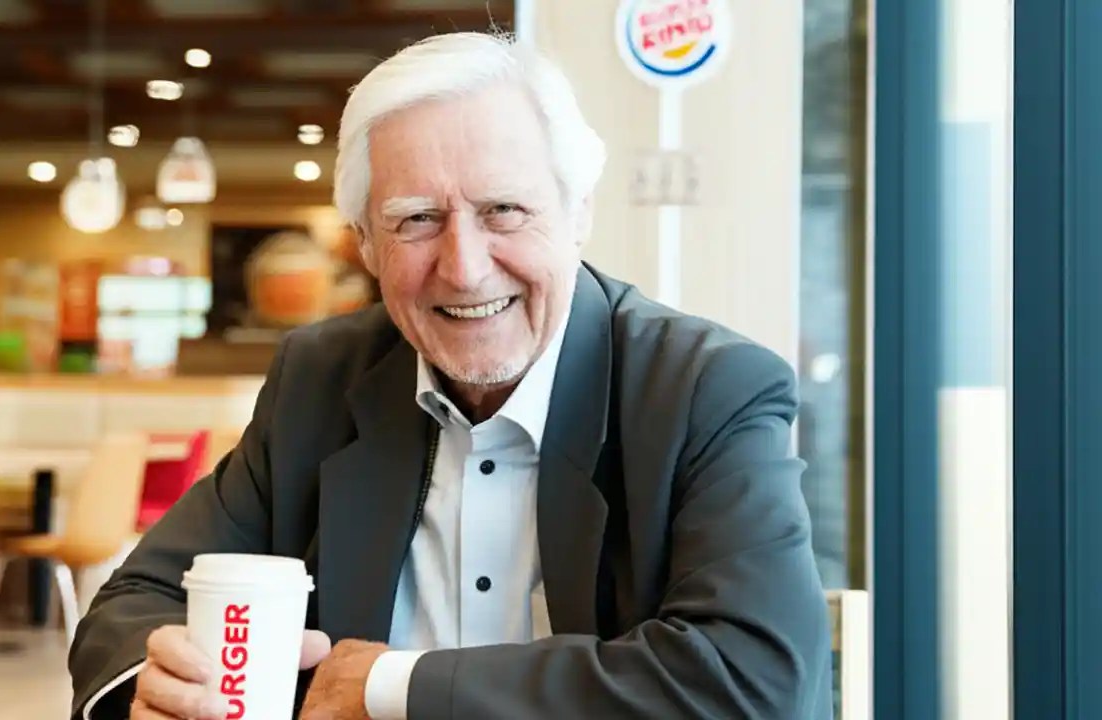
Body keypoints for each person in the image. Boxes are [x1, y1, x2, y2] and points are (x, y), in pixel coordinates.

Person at [69, 31, 832, 720]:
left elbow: (755, 680)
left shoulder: (705, 388)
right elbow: (137, 602)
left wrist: (386, 685)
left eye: (503, 209)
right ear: (365, 244)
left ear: (577, 215)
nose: (464, 269)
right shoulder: (321, 378)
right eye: (416, 220)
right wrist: (157, 679)